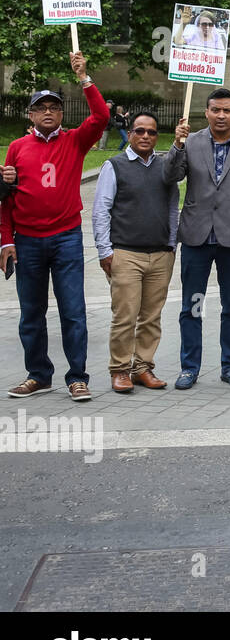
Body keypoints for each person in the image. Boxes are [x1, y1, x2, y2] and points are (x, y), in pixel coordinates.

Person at [2, 52, 109, 402]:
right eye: (41, 107)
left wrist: (84, 77)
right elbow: (5, 199)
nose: (48, 112)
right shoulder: (16, 149)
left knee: (73, 311)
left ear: (62, 114)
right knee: (31, 313)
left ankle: (77, 376)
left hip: (65, 238)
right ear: (31, 114)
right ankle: (39, 374)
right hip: (28, 240)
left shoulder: (75, 141)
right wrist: (6, 242)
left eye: (54, 107)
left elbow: (101, 116)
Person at [164, 88, 230, 389]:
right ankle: (189, 367)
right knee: (193, 305)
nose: (221, 116)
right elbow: (171, 177)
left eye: (227, 110)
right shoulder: (191, 142)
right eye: (215, 110)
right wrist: (177, 145)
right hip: (196, 236)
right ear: (206, 112)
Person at [92, 110, 179, 394]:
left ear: (157, 136)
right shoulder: (114, 165)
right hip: (125, 252)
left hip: (160, 254)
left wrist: (171, 245)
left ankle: (143, 367)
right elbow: (101, 210)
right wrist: (105, 251)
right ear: (130, 133)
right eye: (139, 131)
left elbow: (171, 208)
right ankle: (120, 369)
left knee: (151, 317)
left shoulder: (165, 167)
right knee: (125, 316)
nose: (145, 136)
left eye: (151, 132)